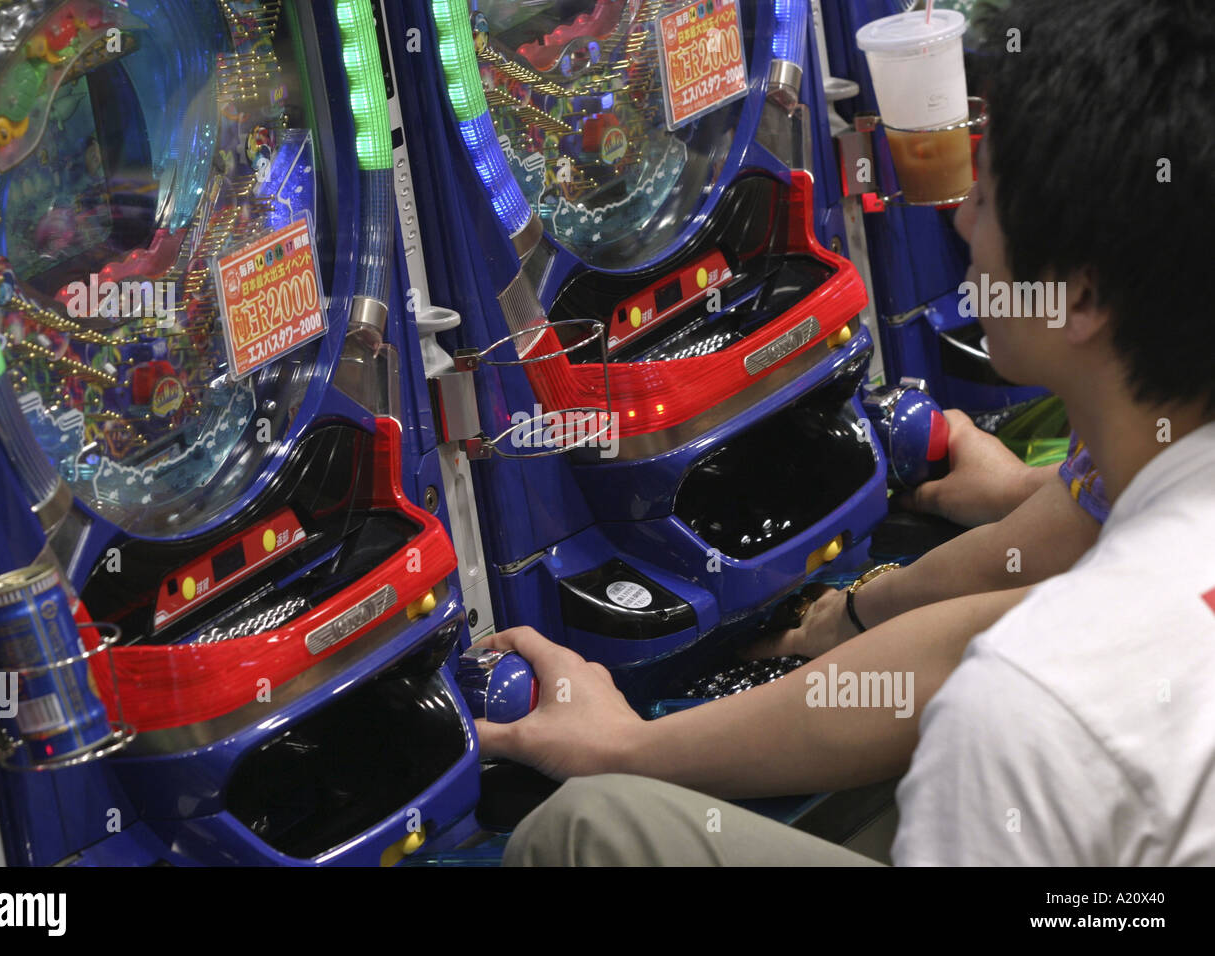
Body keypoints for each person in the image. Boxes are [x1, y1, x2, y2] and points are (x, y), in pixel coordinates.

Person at [484, 0, 1215, 865]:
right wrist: (970, 530)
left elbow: (1000, 665)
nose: (959, 222)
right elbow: (985, 631)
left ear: (1082, 297)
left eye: (986, 195)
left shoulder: (1021, 709)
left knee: (583, 830)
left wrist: (622, 752)